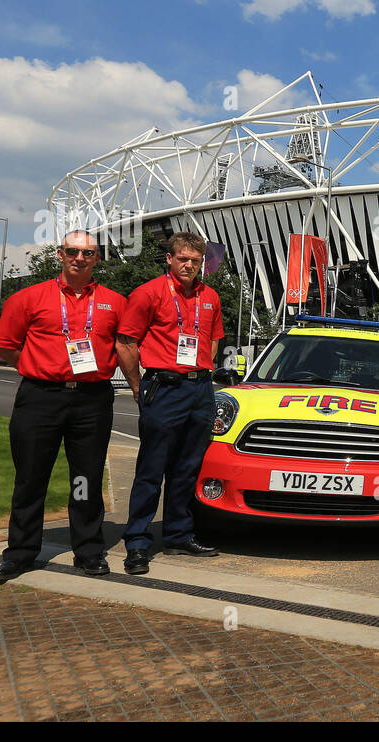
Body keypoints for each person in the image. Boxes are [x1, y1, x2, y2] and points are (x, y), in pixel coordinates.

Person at [0, 230, 127, 584]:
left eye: (88, 253)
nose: (80, 258)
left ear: (97, 259)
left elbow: (125, 346)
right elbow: (5, 345)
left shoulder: (115, 302)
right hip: (41, 398)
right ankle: (20, 554)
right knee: (31, 477)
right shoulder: (28, 298)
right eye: (72, 251)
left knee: (85, 478)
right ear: (60, 255)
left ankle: (89, 551)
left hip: (92, 399)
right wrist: (36, 367)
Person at [116, 231, 224, 574]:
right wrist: (137, 385)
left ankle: (178, 533)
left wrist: (201, 371)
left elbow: (214, 340)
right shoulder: (148, 293)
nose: (189, 265)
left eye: (195, 260)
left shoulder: (211, 297)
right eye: (182, 258)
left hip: (200, 390)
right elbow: (125, 343)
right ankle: (137, 541)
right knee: (152, 469)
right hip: (164, 387)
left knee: (187, 468)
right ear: (170, 259)